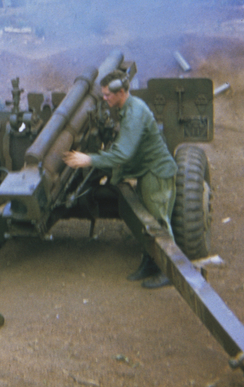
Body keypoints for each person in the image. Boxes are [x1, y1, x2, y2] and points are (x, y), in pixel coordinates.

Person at [63, 69, 178, 289]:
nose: (104, 99)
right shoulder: (126, 109)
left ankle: (168, 271)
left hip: (157, 173)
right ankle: (150, 263)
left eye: (107, 95)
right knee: (147, 222)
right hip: (146, 171)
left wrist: (89, 160)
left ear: (122, 92)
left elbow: (123, 154)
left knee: (159, 223)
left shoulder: (134, 113)